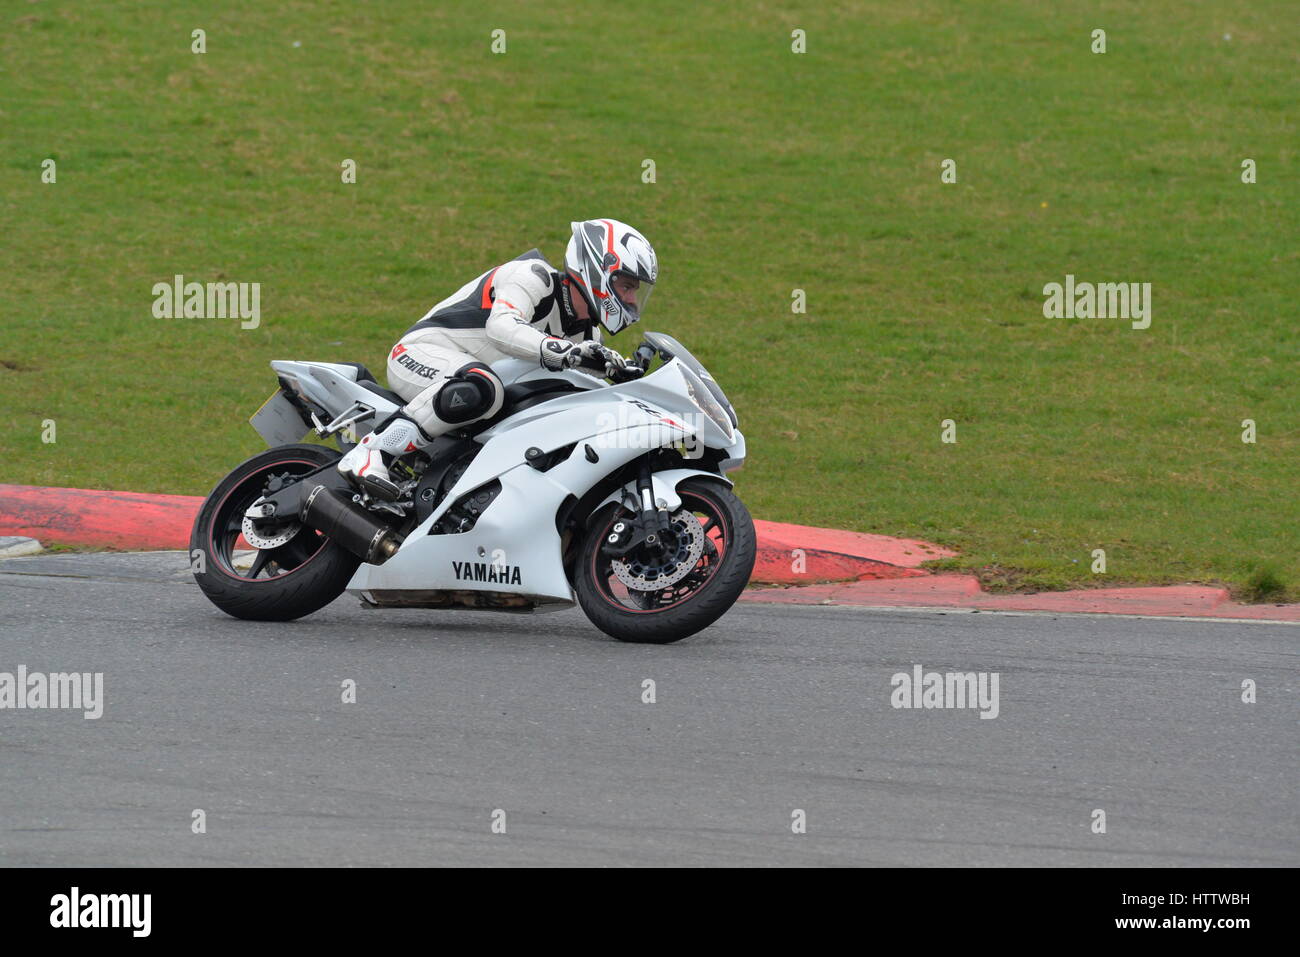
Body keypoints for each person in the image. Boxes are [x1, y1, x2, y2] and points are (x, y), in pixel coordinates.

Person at [337, 219, 658, 500]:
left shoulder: (587, 338)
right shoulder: (534, 277)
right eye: (626, 285)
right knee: (483, 387)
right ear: (598, 269)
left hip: (470, 380)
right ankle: (371, 452)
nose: (630, 299)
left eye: (635, 290)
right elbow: (502, 326)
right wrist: (563, 352)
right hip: (420, 354)